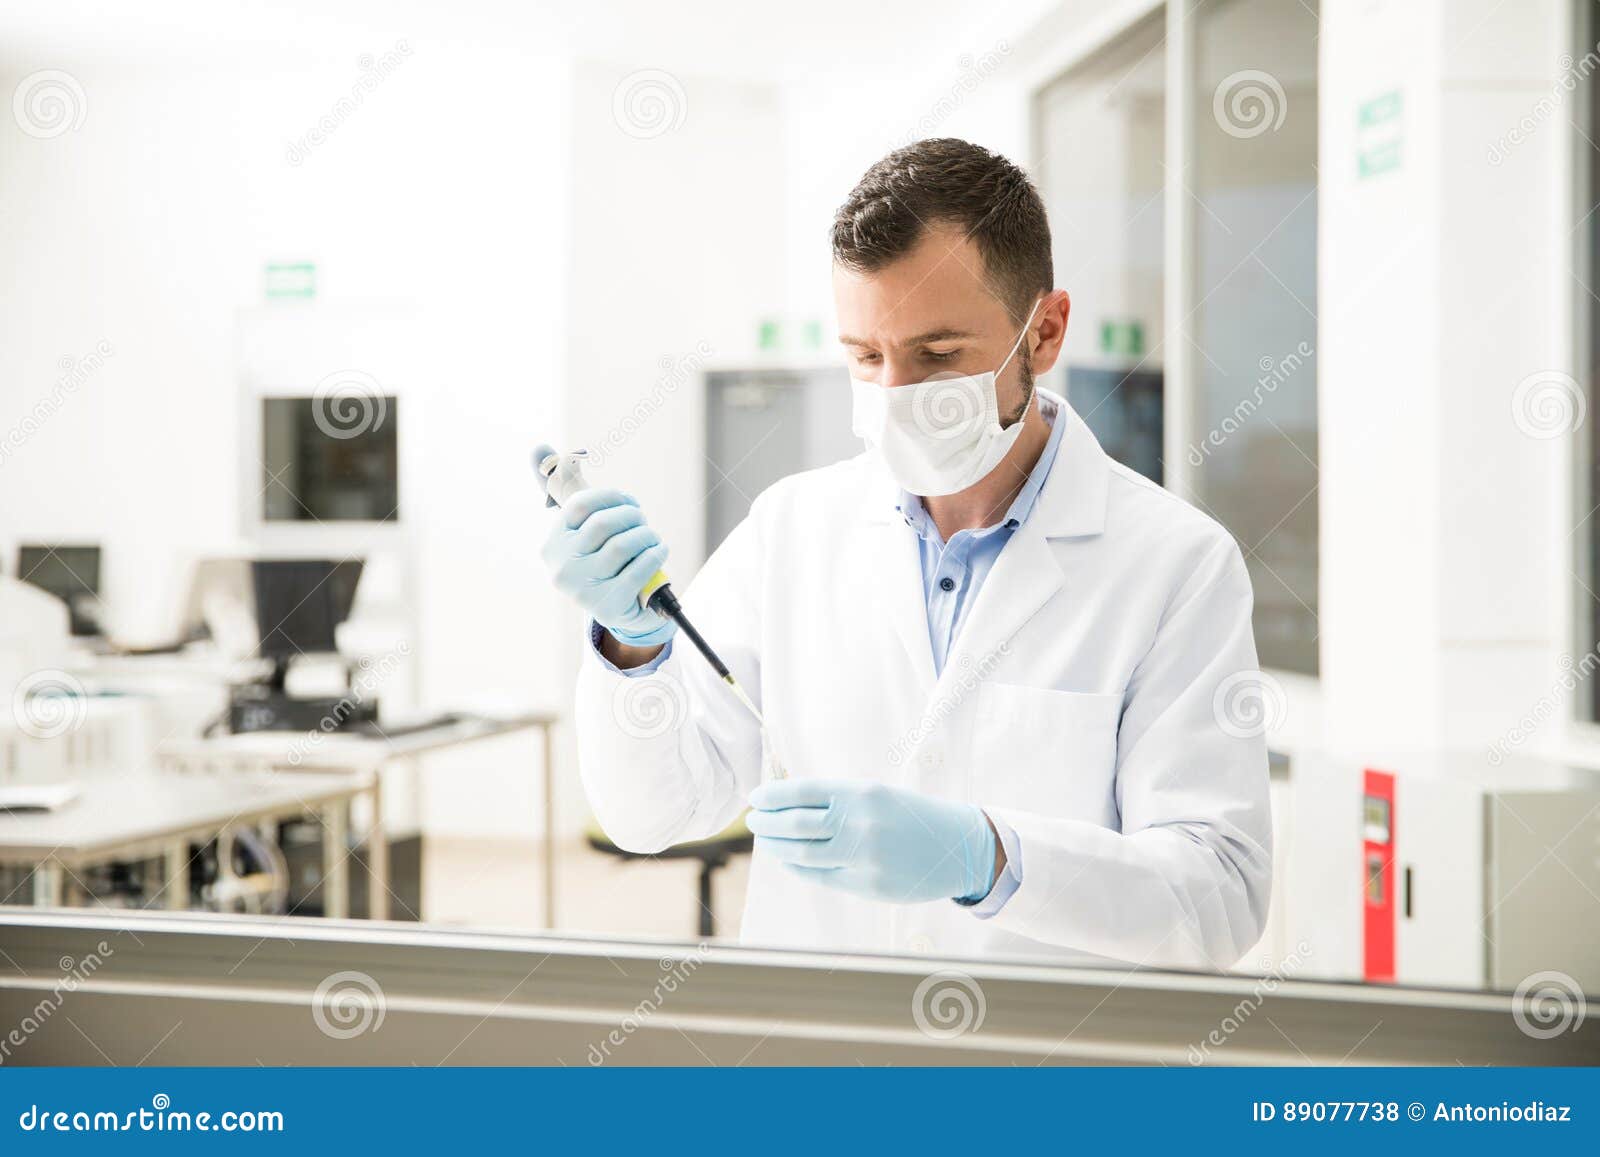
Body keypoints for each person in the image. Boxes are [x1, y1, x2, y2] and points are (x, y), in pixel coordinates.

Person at [543, 138, 1271, 969]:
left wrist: (987, 856)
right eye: (865, 356)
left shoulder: (1176, 565)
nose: (893, 394)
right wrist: (635, 650)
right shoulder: (790, 527)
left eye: (937, 355)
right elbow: (653, 814)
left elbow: (1220, 896)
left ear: (1045, 332)